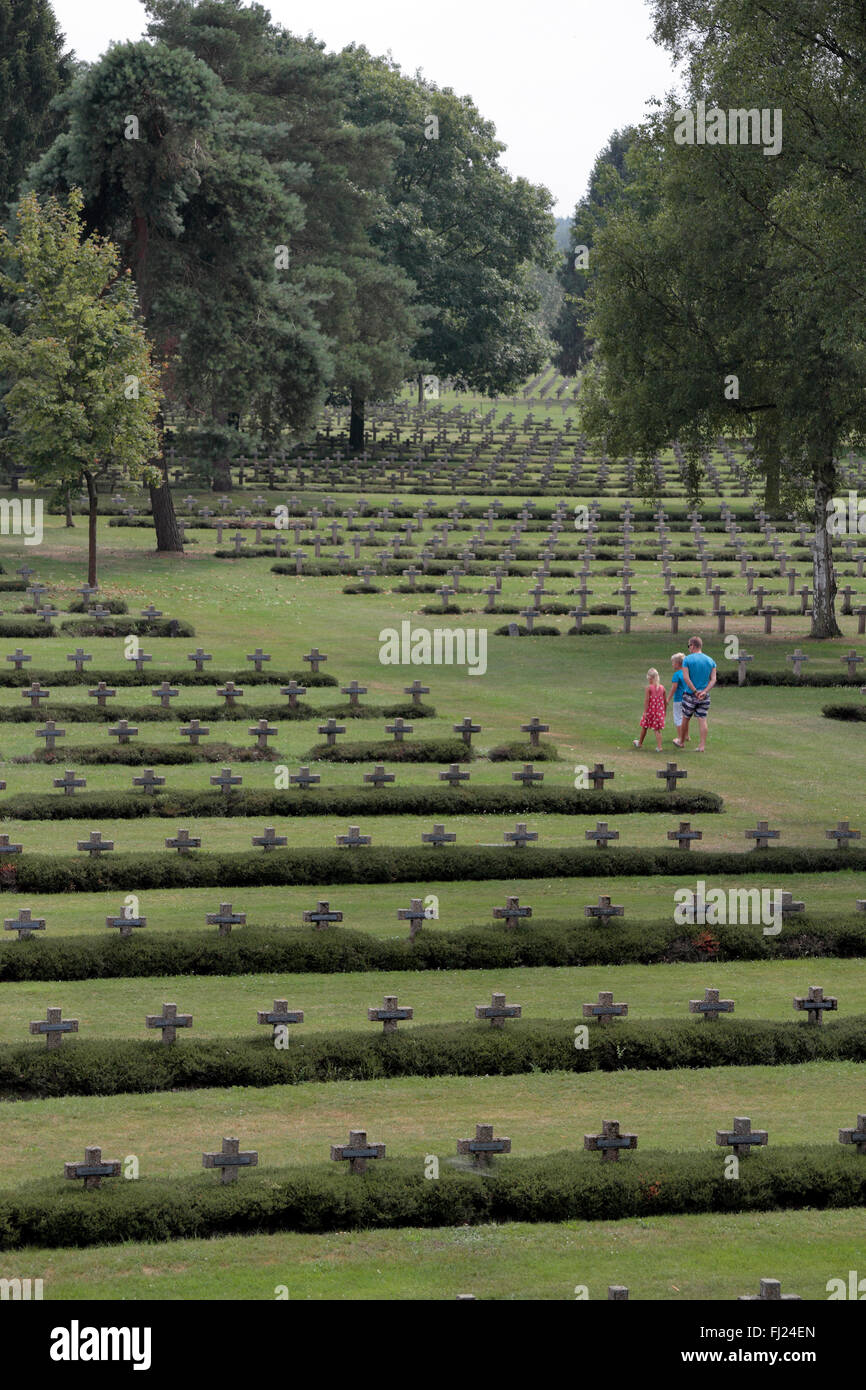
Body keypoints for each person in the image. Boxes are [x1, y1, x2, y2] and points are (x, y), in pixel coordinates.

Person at [674, 635, 717, 752]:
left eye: (689, 646)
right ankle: (702, 746)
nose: (689, 648)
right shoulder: (711, 661)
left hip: (690, 694)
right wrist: (704, 691)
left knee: (685, 718)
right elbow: (713, 679)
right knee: (702, 720)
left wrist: (694, 691)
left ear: (693, 646)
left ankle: (681, 741)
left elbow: (686, 678)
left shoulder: (687, 659)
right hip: (704, 696)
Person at [633, 667, 666, 752]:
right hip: (658, 712)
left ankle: (640, 743)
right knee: (656, 729)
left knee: (644, 727)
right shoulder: (662, 688)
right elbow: (664, 701)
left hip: (650, 712)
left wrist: (645, 712)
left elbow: (647, 700)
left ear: (650, 678)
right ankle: (659, 747)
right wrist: (664, 711)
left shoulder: (648, 688)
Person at [668, 652, 689, 744]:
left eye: (673, 663)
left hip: (678, 699)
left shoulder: (676, 675)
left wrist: (668, 698)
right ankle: (686, 735)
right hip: (687, 698)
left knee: (678, 718)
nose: (672, 665)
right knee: (685, 717)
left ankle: (680, 738)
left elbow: (674, 688)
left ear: (677, 663)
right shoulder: (686, 673)